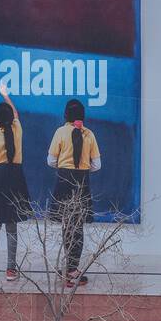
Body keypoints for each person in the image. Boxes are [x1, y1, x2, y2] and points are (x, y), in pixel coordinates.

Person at [47, 98, 101, 288]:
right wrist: (82, 169)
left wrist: (64, 166)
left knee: (67, 225)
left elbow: (50, 161)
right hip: (82, 183)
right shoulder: (90, 134)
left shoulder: (60, 132)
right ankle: (73, 269)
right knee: (77, 227)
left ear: (66, 115)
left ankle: (68, 269)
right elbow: (97, 165)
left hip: (64, 181)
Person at [0, 82, 30, 282]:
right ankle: (11, 270)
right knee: (12, 226)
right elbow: (15, 114)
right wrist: (6, 95)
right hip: (16, 179)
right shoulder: (17, 131)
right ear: (11, 119)